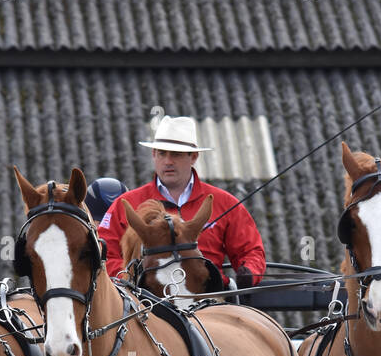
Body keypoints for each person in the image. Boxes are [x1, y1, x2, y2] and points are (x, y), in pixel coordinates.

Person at [99, 115, 266, 287]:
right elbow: (104, 255)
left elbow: (250, 251)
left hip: (209, 299)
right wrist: (131, 278)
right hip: (144, 302)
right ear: (153, 155)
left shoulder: (226, 203)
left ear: (193, 157)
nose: (168, 161)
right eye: (162, 153)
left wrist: (249, 274)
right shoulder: (124, 204)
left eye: (176, 154)